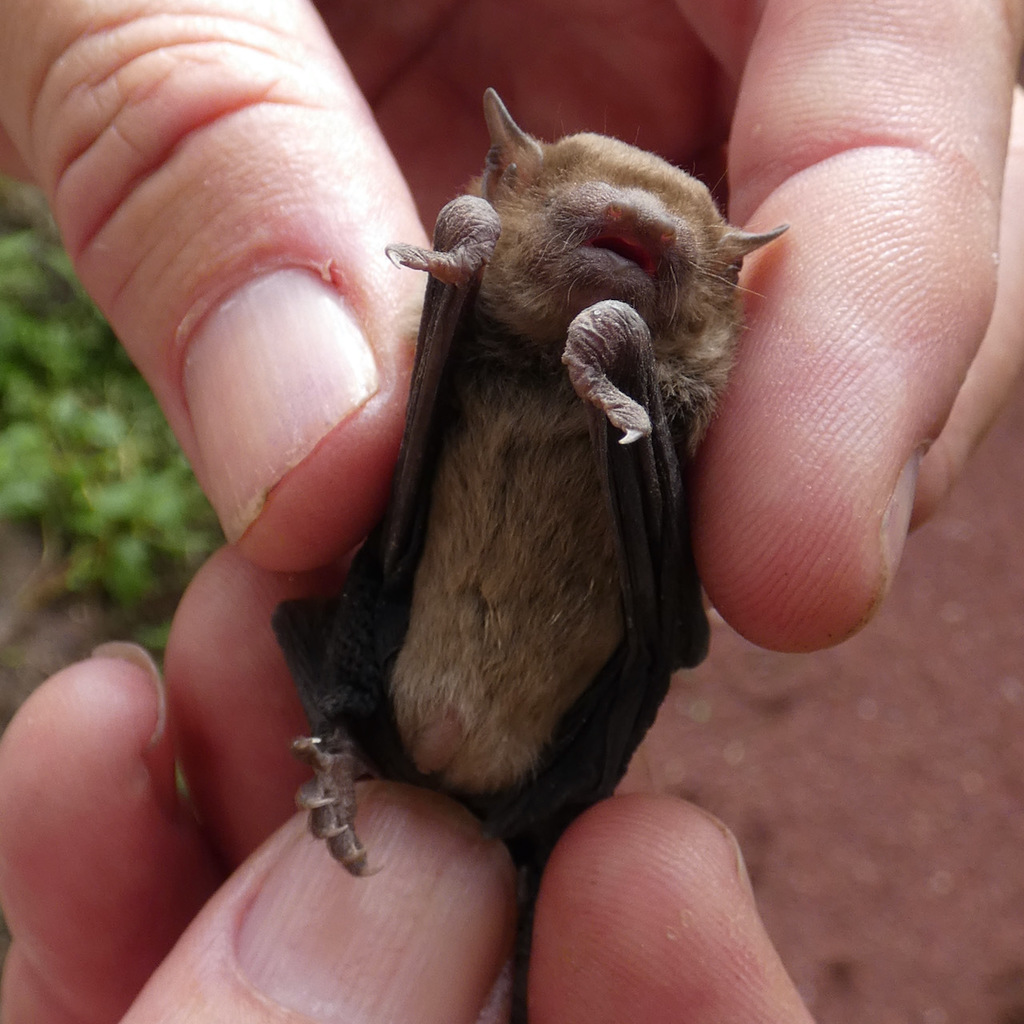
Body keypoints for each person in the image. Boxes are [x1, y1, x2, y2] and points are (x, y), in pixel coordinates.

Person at [0, 2, 1022, 1021]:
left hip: (546, 725)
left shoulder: (673, 410)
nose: (630, 234)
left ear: (722, 299)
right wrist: (476, 283)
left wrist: (622, 381)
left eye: (674, 257)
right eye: (584, 212)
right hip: (407, 667)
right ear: (508, 189)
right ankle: (355, 744)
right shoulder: (471, 294)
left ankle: (426, 823)